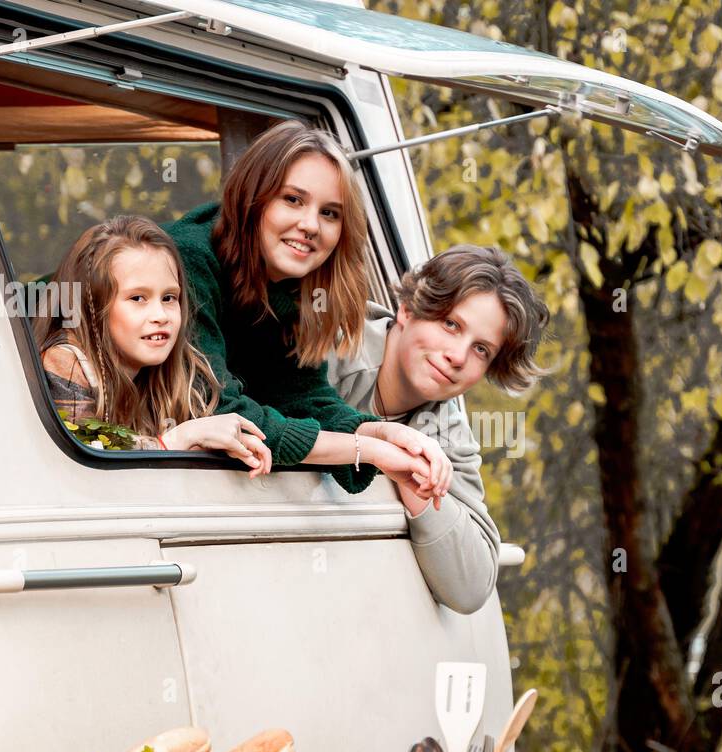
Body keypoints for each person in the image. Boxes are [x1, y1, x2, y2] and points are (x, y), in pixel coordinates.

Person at [164, 120, 451, 505]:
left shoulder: (295, 291)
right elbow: (219, 409)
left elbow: (303, 398)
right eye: (293, 200)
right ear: (253, 198)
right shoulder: (189, 261)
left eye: (330, 213)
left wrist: (385, 434)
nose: (310, 225)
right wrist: (366, 451)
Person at [328, 245, 550, 614]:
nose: (458, 356)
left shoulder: (449, 434)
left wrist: (411, 475)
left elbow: (470, 586)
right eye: (451, 325)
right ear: (408, 308)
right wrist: (376, 443)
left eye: (481, 349)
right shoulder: (324, 349)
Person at [36, 214, 272, 473]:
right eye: (138, 298)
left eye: (169, 297)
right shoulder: (65, 361)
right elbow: (82, 457)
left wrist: (226, 445)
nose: (160, 316)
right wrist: (176, 440)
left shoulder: (177, 374)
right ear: (91, 308)